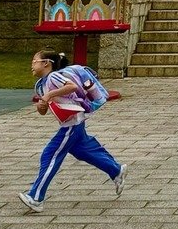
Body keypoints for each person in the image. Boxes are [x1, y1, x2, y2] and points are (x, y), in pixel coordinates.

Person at [19, 50, 126, 212]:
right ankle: (116, 170)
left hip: (71, 124)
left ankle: (36, 197)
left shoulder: (54, 77)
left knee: (50, 155)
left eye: (35, 61)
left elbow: (72, 86)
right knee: (84, 150)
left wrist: (49, 95)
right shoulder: (42, 84)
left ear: (46, 63)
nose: (32, 65)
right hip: (73, 123)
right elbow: (44, 109)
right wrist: (42, 105)